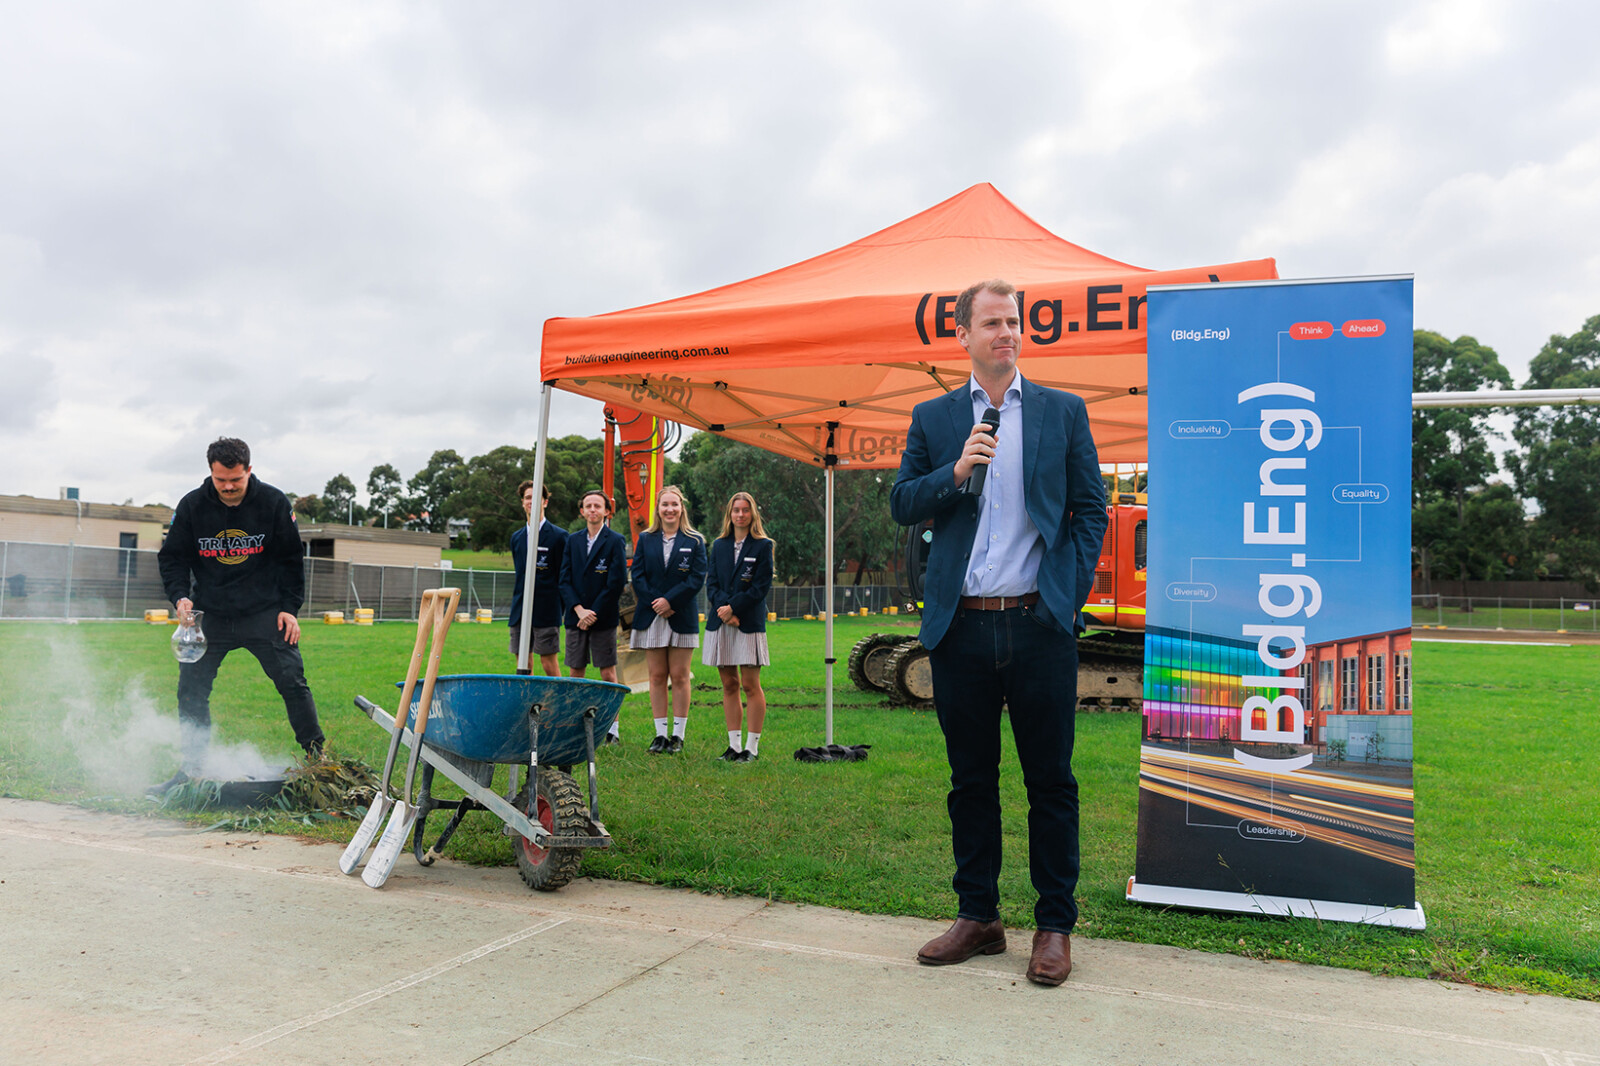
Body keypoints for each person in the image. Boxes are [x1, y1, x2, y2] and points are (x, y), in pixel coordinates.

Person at [889, 279, 1107, 987]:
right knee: (971, 782)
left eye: (1013, 321)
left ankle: (1054, 925)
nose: (1006, 332)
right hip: (962, 630)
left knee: (1051, 783)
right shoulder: (934, 417)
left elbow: (1088, 512)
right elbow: (901, 503)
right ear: (963, 334)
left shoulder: (1061, 411)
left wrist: (1062, 596)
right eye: (991, 322)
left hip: (1038, 626)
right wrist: (955, 472)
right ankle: (978, 916)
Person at [154, 437, 325, 791]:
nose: (229, 487)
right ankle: (192, 770)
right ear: (211, 473)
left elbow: (291, 560)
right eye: (221, 480)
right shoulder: (191, 506)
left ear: (249, 470)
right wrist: (180, 598)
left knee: (293, 682)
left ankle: (317, 761)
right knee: (190, 691)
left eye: (236, 479)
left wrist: (289, 609)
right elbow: (172, 558)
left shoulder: (274, 503)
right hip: (210, 615)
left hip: (263, 613)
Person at [628, 485, 707, 754]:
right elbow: (637, 576)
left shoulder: (695, 540)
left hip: (681, 615)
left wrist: (671, 601)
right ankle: (660, 735)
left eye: (674, 504)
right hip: (652, 616)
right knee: (657, 676)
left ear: (681, 507)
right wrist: (657, 603)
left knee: (681, 676)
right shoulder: (646, 539)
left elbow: (696, 578)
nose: (670, 509)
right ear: (658, 509)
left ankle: (678, 736)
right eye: (665, 505)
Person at [702, 491, 774, 762]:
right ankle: (733, 746)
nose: (740, 514)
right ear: (729, 514)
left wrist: (734, 608)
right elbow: (712, 584)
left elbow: (761, 586)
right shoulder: (719, 545)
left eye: (745, 510)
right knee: (729, 684)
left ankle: (751, 748)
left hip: (748, 623)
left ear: (752, 513)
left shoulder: (763, 545)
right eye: (736, 510)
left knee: (750, 685)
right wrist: (725, 611)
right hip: (722, 622)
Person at [558, 490, 627, 707]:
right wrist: (579, 610)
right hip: (575, 618)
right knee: (576, 672)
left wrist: (593, 613)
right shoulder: (572, 541)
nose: (593, 510)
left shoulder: (615, 541)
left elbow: (616, 583)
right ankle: (575, 719)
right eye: (588, 506)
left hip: (603, 618)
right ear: (582, 512)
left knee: (607, 673)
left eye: (597, 506)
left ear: (607, 511)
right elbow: (564, 580)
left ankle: (612, 727)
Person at [509, 480, 567, 677]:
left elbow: (563, 576)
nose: (531, 502)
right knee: (523, 665)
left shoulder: (559, 537)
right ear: (522, 502)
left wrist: (560, 608)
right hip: (520, 610)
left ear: (545, 502)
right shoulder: (516, 538)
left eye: (536, 498)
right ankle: (527, 706)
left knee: (549, 665)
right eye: (527, 498)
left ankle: (559, 705)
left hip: (547, 611)